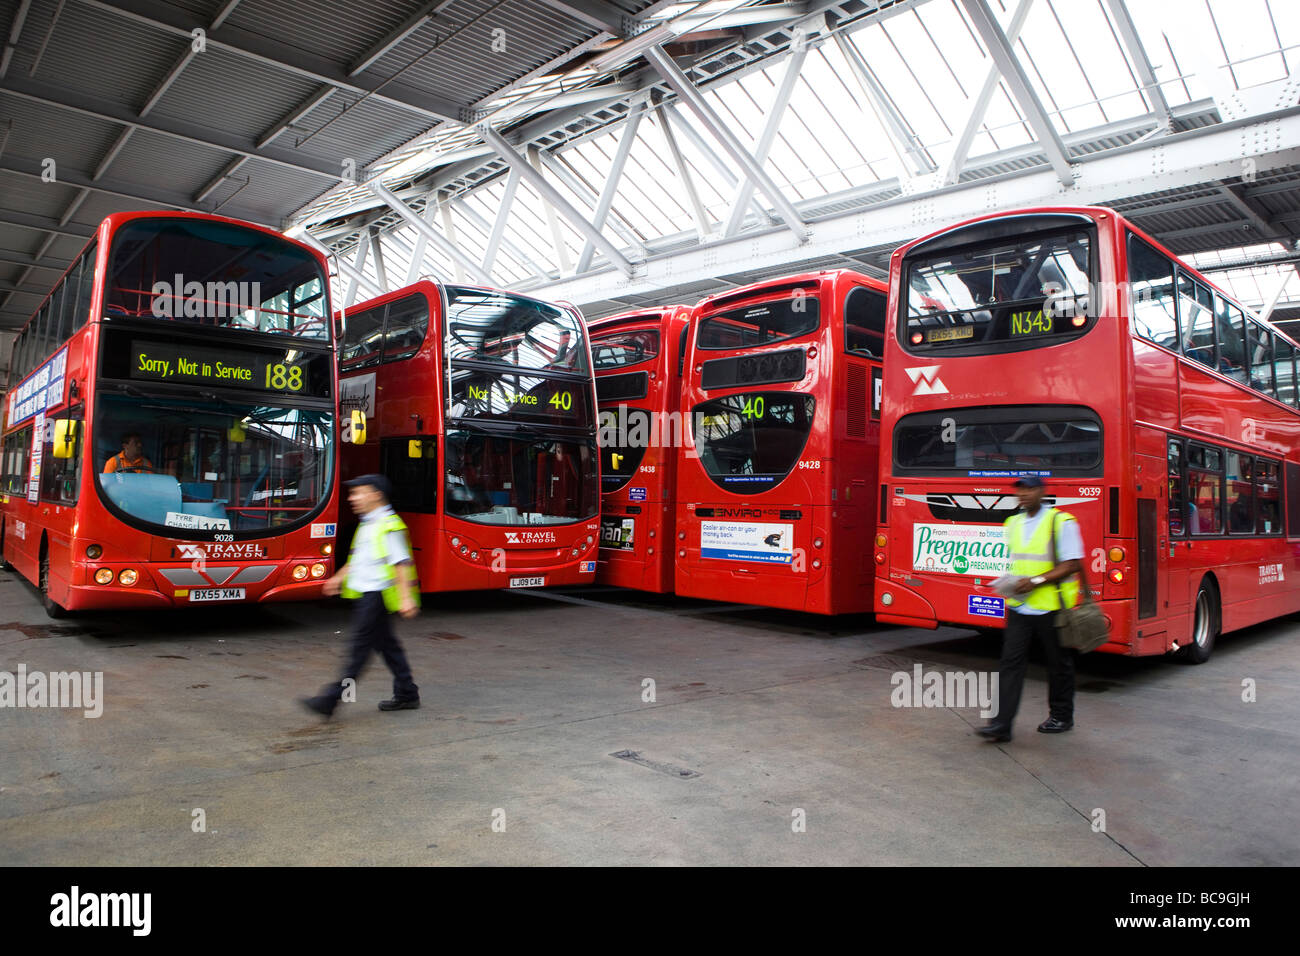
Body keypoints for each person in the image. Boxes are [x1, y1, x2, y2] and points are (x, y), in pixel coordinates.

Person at [301, 474, 420, 718]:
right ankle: (407, 693)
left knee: (358, 652)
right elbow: (358, 559)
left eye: (358, 492)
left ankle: (329, 701)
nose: (352, 498)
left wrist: (406, 598)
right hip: (367, 594)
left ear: (376, 494)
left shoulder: (389, 525)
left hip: (376, 596)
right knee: (388, 647)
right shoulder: (368, 524)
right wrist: (338, 577)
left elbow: (401, 563)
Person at [978, 476, 1082, 743]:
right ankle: (1000, 725)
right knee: (1009, 664)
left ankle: (1062, 715)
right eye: (1019, 491)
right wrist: (1009, 582)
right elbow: (1018, 561)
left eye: (1029, 490)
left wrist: (1035, 581)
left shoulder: (1061, 522)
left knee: (1058, 664)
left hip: (1052, 606)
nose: (1023, 495)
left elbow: (1072, 564)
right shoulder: (1012, 523)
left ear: (1042, 492)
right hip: (1020, 606)